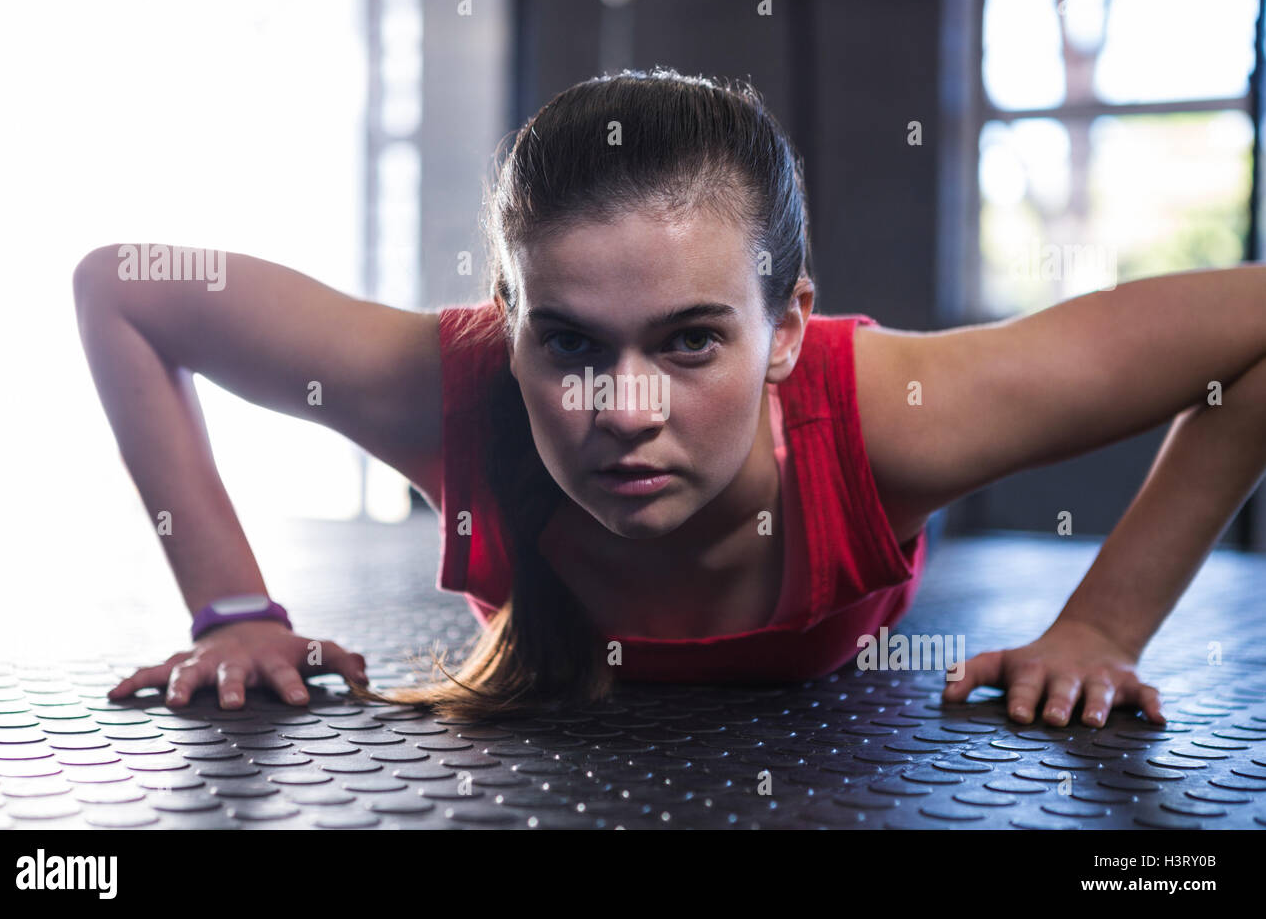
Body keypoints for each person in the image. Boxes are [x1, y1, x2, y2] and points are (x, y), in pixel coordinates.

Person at [78, 68, 1266, 726]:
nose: (622, 408)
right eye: (568, 341)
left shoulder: (899, 411)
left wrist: (1102, 626)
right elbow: (121, 288)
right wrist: (232, 610)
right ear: (508, 318)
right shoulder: (446, 383)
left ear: (788, 328)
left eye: (693, 341)